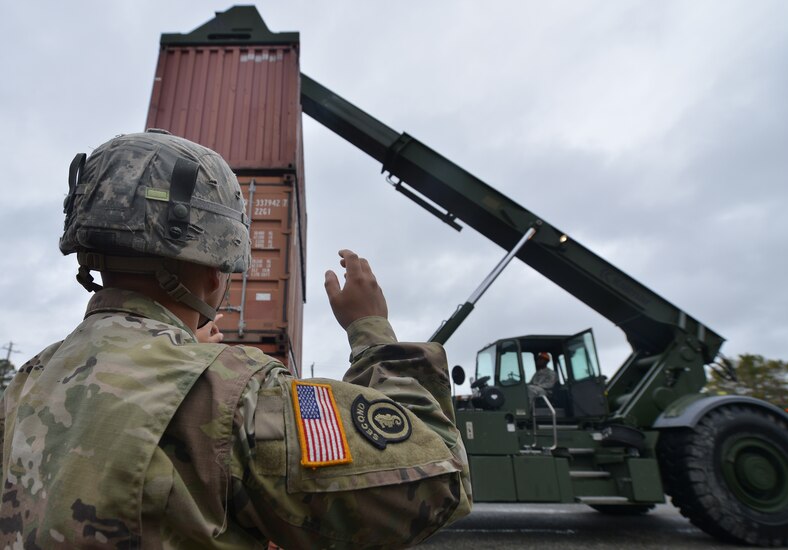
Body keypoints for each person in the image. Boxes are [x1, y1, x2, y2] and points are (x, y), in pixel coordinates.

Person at [0, 131, 471, 549]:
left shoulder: (23, 386)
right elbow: (438, 480)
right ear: (212, 271)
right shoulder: (236, 392)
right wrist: (371, 331)